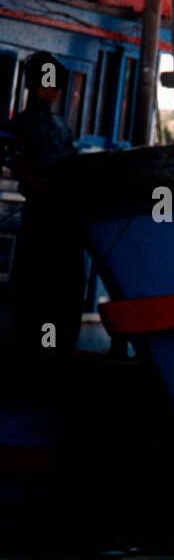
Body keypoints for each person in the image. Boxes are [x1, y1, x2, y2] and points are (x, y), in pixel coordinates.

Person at [6, 52, 81, 355]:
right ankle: (32, 347)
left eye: (54, 86)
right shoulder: (19, 125)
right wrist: (43, 192)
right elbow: (16, 163)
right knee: (34, 283)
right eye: (43, 85)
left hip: (63, 217)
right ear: (30, 86)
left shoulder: (62, 127)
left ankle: (58, 347)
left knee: (62, 286)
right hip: (39, 215)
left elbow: (71, 166)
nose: (48, 92)